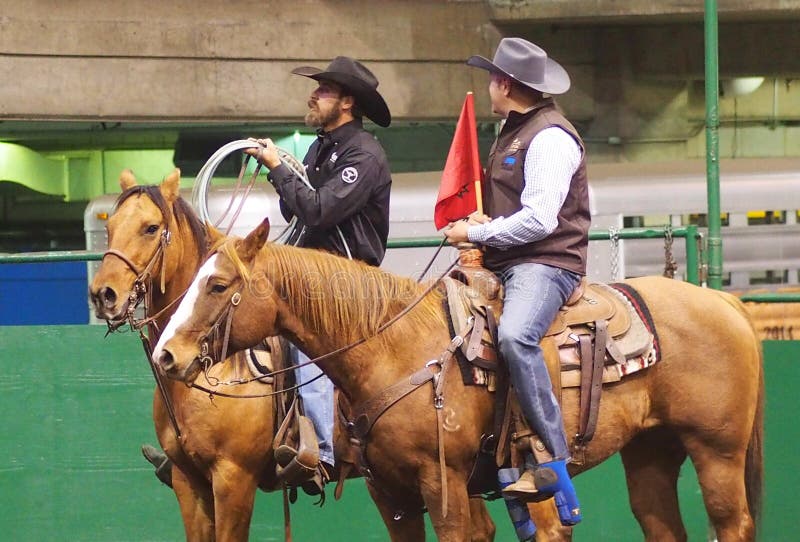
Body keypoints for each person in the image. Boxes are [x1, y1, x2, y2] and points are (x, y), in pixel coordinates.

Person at [143, 56, 393, 493]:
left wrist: (279, 168)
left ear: (348, 102)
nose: (313, 95)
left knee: (302, 337)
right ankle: (223, 441)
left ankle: (322, 452)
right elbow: (298, 209)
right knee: (238, 316)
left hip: (346, 276)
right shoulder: (320, 149)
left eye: (324, 90)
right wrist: (283, 172)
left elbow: (319, 210)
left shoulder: (364, 154)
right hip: (307, 271)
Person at [444, 37, 588, 527]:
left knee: (516, 335)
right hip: (509, 260)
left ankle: (551, 456)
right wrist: (488, 222)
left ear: (505, 83)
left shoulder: (550, 137)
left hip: (547, 263)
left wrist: (477, 231)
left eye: (492, 78)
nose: (489, 86)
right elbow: (519, 208)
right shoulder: (514, 130)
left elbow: (542, 221)